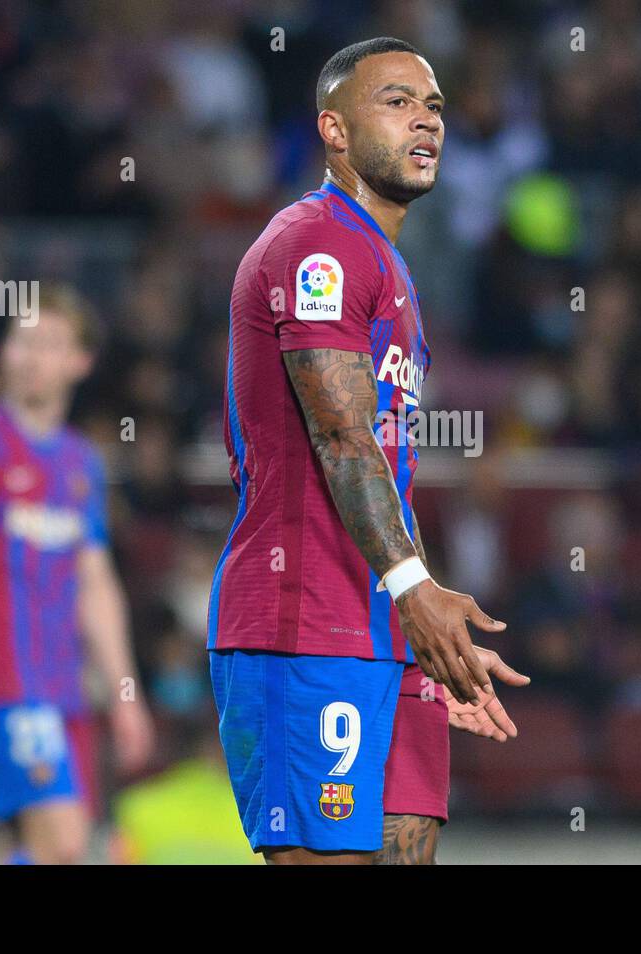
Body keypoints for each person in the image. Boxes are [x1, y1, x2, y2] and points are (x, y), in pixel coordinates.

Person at [208, 37, 529, 865]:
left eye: (434, 107)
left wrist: (425, 630)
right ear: (334, 130)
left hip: (386, 626)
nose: (425, 120)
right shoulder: (319, 246)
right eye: (395, 101)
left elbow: (386, 465)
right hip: (305, 618)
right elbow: (342, 436)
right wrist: (415, 590)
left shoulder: (386, 262)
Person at [0, 286, 153, 863]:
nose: (30, 356)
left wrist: (124, 692)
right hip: (6, 682)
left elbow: (95, 584)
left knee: (38, 846)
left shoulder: (82, 463)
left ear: (80, 362)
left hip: (67, 688)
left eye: (48, 344)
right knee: (65, 843)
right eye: (22, 341)